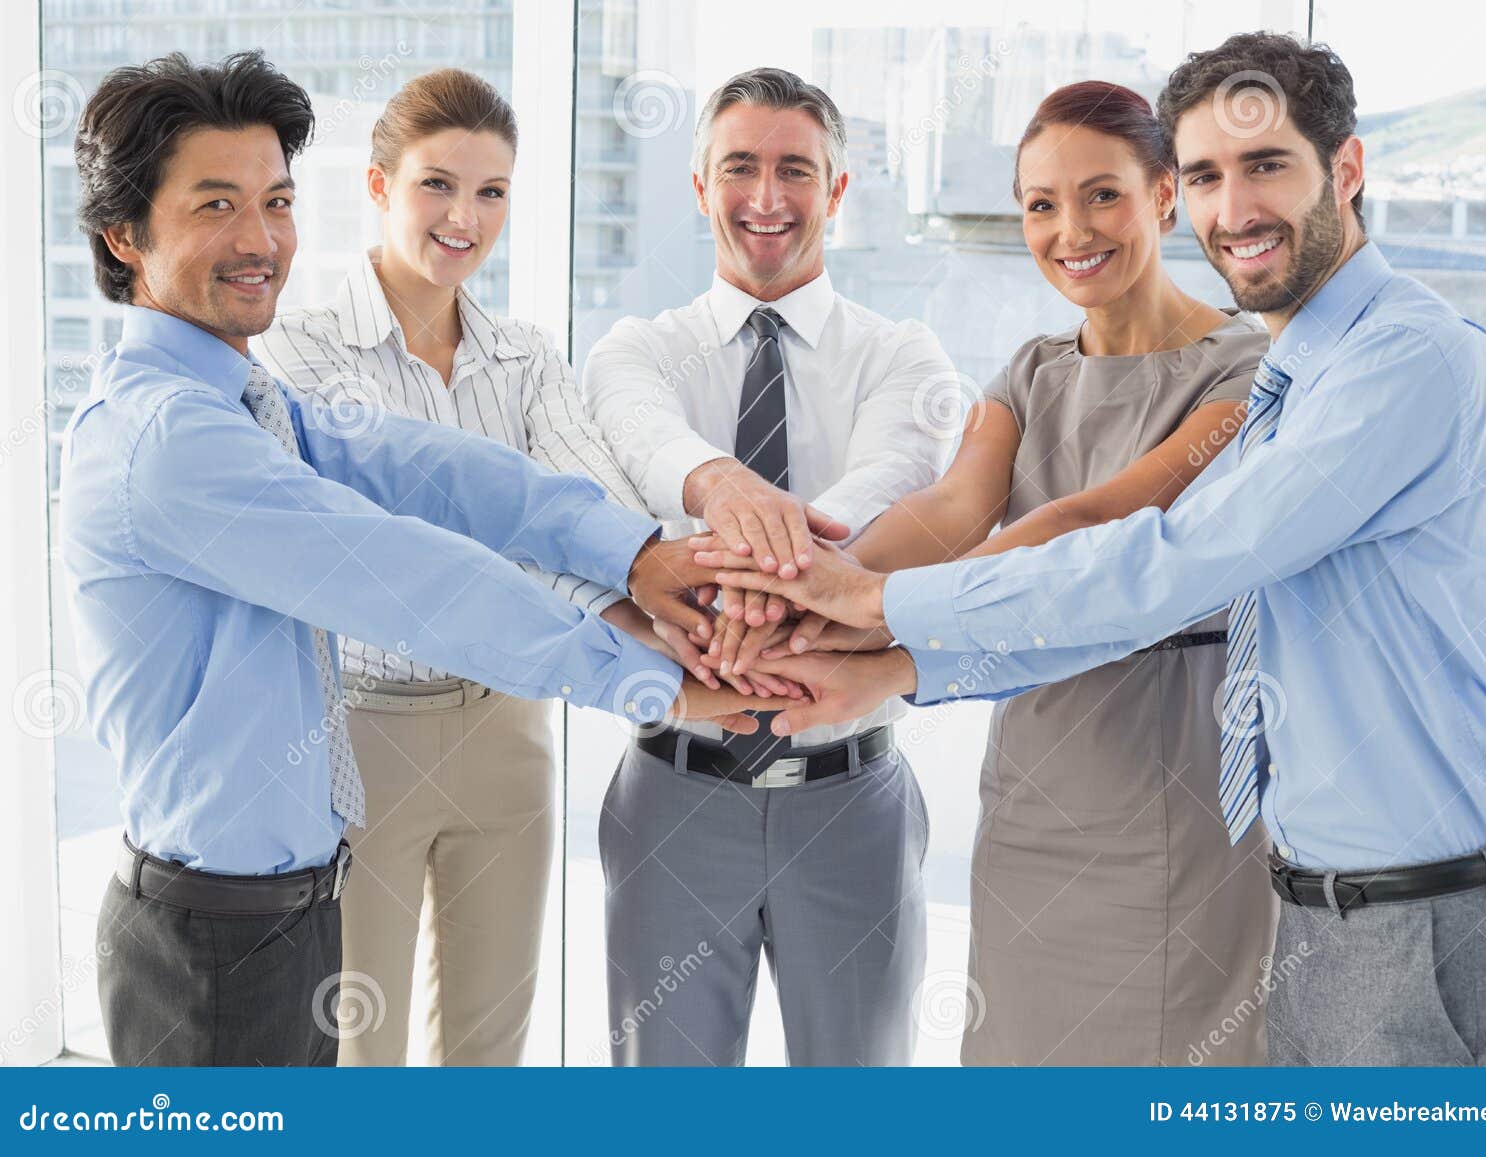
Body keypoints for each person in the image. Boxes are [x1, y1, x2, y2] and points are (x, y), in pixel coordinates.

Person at [711, 33, 1486, 1067]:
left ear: (1343, 172)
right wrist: (859, 637)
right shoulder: (1296, 368)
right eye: (1211, 173)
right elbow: (981, 519)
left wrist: (874, 606)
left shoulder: (1383, 363)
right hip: (1313, 900)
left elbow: (1157, 561)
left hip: (1409, 910)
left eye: (1264, 167)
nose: (1232, 208)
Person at [60, 50, 763, 1068]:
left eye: (277, 200)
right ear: (124, 235)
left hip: (278, 907)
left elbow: (427, 466)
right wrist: (649, 678)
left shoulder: (242, 397)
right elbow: (408, 576)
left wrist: (639, 549)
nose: (261, 240)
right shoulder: (171, 438)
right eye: (217, 204)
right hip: (212, 944)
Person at [742, 81, 1274, 1065]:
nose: (1069, 229)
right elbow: (948, 510)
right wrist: (805, 589)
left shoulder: (1242, 372)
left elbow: (1095, 522)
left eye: (1100, 194)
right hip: (1037, 790)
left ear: (1162, 193)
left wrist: (871, 615)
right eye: (1040, 205)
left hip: (1170, 791)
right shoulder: (1031, 369)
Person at [254, 68, 749, 1067]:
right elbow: (399, 561)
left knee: (490, 1044)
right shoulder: (297, 360)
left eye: (491, 193)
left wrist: (691, 631)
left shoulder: (525, 359)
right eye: (438, 184)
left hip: (508, 727)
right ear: (381, 185)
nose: (464, 217)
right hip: (360, 737)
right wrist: (646, 661)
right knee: (362, 1046)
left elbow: (594, 521)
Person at [582, 67, 955, 1066]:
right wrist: (724, 491)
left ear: (835, 190)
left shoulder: (903, 356)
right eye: (739, 166)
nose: (766, 195)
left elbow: (888, 485)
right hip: (673, 796)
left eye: (796, 169)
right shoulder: (636, 351)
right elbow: (642, 437)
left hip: (853, 799)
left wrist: (753, 573)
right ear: (701, 185)